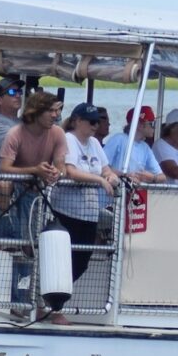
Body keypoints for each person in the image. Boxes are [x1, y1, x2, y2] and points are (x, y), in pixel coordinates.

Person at [53, 103, 118, 284]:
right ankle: (52, 298)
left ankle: (58, 296)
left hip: (89, 214)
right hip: (67, 212)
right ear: (77, 121)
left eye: (97, 122)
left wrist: (111, 176)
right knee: (65, 259)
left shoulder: (95, 143)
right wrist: (100, 180)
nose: (95, 126)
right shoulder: (68, 139)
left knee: (82, 262)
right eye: (91, 122)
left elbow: (105, 168)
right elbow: (71, 172)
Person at [0, 91, 66, 242]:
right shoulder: (15, 133)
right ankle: (9, 237)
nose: (55, 115)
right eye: (50, 111)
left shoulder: (58, 133)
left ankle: (24, 244)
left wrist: (56, 173)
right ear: (36, 111)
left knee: (29, 244)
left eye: (57, 110)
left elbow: (61, 167)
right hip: (15, 189)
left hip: (39, 190)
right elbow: (4, 168)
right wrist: (35, 170)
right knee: (1, 186)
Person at [102, 106, 165, 185]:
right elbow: (101, 166)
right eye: (152, 123)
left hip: (134, 194)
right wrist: (126, 176)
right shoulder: (119, 139)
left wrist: (152, 177)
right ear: (139, 125)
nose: (155, 127)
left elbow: (162, 177)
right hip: (114, 193)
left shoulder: (145, 147)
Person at [0, 77, 25, 172]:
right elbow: (17, 147)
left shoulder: (24, 122)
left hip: (23, 182)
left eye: (19, 91)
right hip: (2, 183)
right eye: (12, 92)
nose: (18, 95)